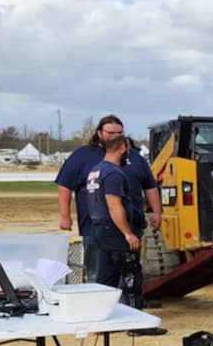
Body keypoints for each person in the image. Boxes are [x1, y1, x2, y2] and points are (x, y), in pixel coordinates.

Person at [56, 115, 160, 282]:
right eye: (110, 132)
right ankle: (104, 301)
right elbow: (65, 185)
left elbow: (150, 186)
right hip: (95, 225)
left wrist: (157, 212)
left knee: (127, 273)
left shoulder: (134, 157)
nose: (115, 136)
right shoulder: (83, 156)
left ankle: (126, 301)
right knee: (98, 273)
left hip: (130, 223)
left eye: (119, 132)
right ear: (99, 132)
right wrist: (65, 216)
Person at [85, 135, 146, 308]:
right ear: (122, 148)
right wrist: (128, 233)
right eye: (128, 149)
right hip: (115, 230)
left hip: (99, 228)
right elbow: (114, 205)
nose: (129, 153)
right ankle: (136, 321)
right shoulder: (113, 173)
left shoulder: (96, 171)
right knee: (131, 276)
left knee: (106, 277)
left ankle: (100, 313)